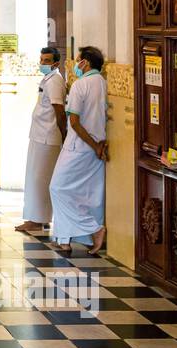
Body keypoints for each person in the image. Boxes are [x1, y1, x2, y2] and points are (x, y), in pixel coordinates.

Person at [49, 46, 109, 255]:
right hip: (97, 146)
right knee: (88, 193)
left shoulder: (80, 85)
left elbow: (74, 121)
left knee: (57, 187)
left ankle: (95, 229)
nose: (75, 64)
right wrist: (99, 146)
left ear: (85, 62)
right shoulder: (103, 83)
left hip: (79, 147)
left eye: (77, 60)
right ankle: (64, 240)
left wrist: (93, 146)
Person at [17, 47, 67, 236]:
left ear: (55, 63)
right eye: (41, 60)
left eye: (47, 61)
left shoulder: (55, 81)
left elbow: (59, 110)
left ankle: (37, 220)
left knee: (40, 178)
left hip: (48, 136)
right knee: (34, 176)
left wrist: (63, 133)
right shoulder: (48, 79)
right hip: (39, 135)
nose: (43, 64)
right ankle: (35, 218)